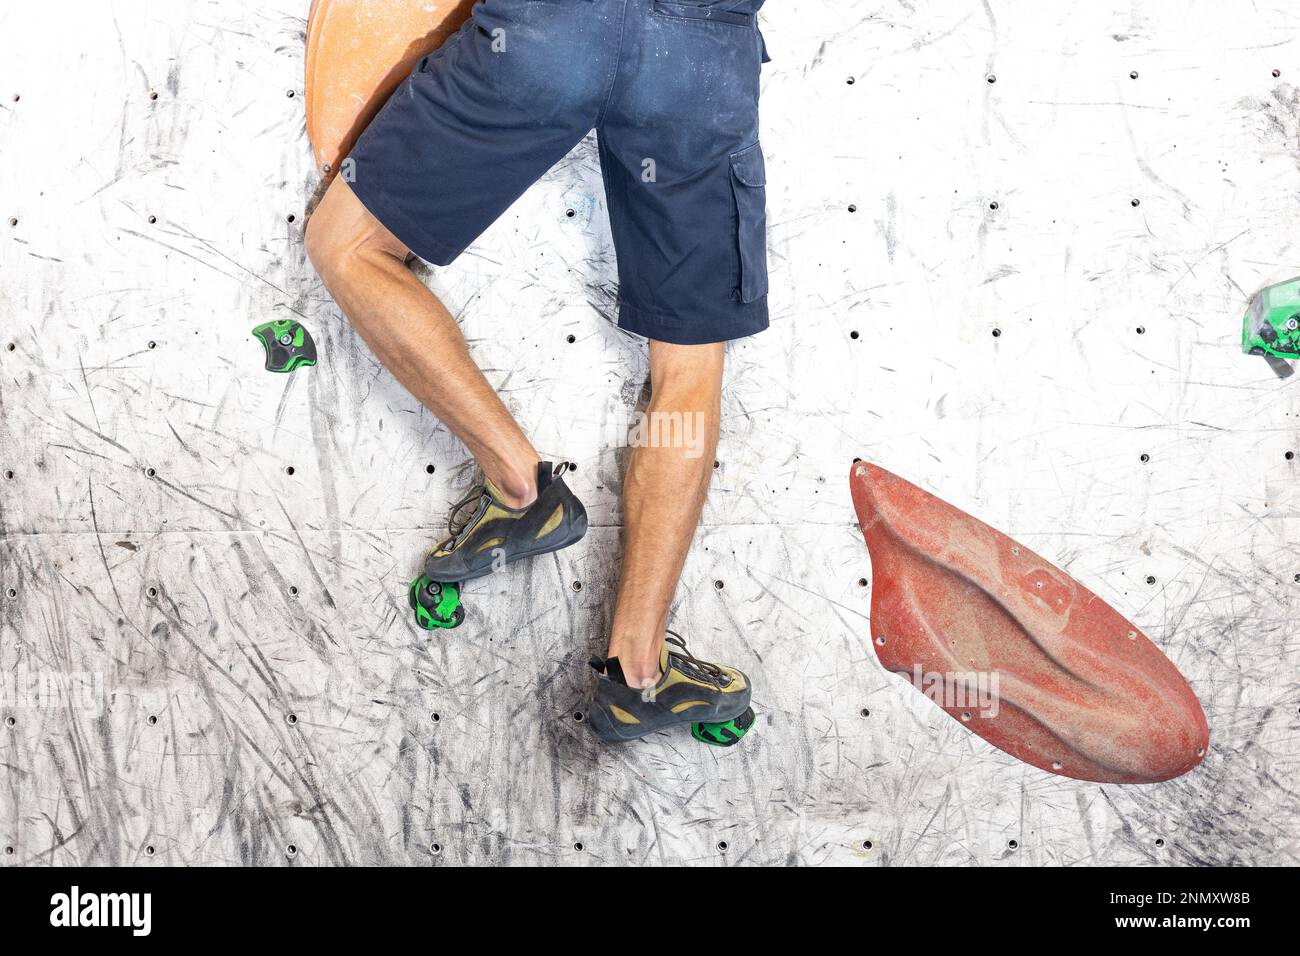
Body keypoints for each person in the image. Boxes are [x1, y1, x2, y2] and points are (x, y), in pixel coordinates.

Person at [305, 0, 768, 742]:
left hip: (553, 34)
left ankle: (519, 485)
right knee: (689, 370)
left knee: (349, 246)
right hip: (697, 62)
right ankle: (637, 671)